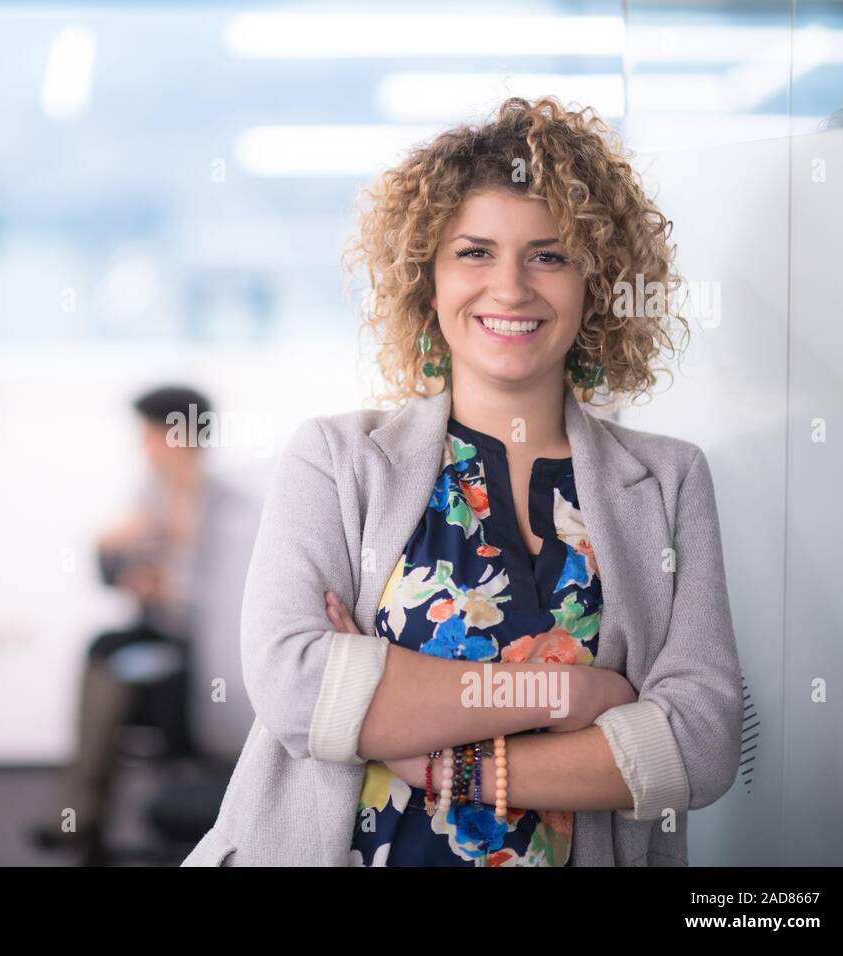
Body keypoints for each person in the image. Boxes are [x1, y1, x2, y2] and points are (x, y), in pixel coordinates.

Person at [182, 96, 744, 866]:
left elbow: (699, 742)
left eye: (548, 255)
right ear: (428, 280)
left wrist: (445, 761)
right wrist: (569, 696)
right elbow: (295, 688)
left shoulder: (671, 482)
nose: (510, 288)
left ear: (595, 283)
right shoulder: (336, 459)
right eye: (475, 252)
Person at [31, 385, 230, 864]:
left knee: (124, 666)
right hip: (161, 634)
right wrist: (127, 563)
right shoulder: (154, 495)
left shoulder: (225, 504)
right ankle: (84, 814)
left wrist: (172, 586)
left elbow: (227, 595)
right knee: (104, 647)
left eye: (150, 434)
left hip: (207, 652)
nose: (143, 445)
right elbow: (114, 562)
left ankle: (94, 815)